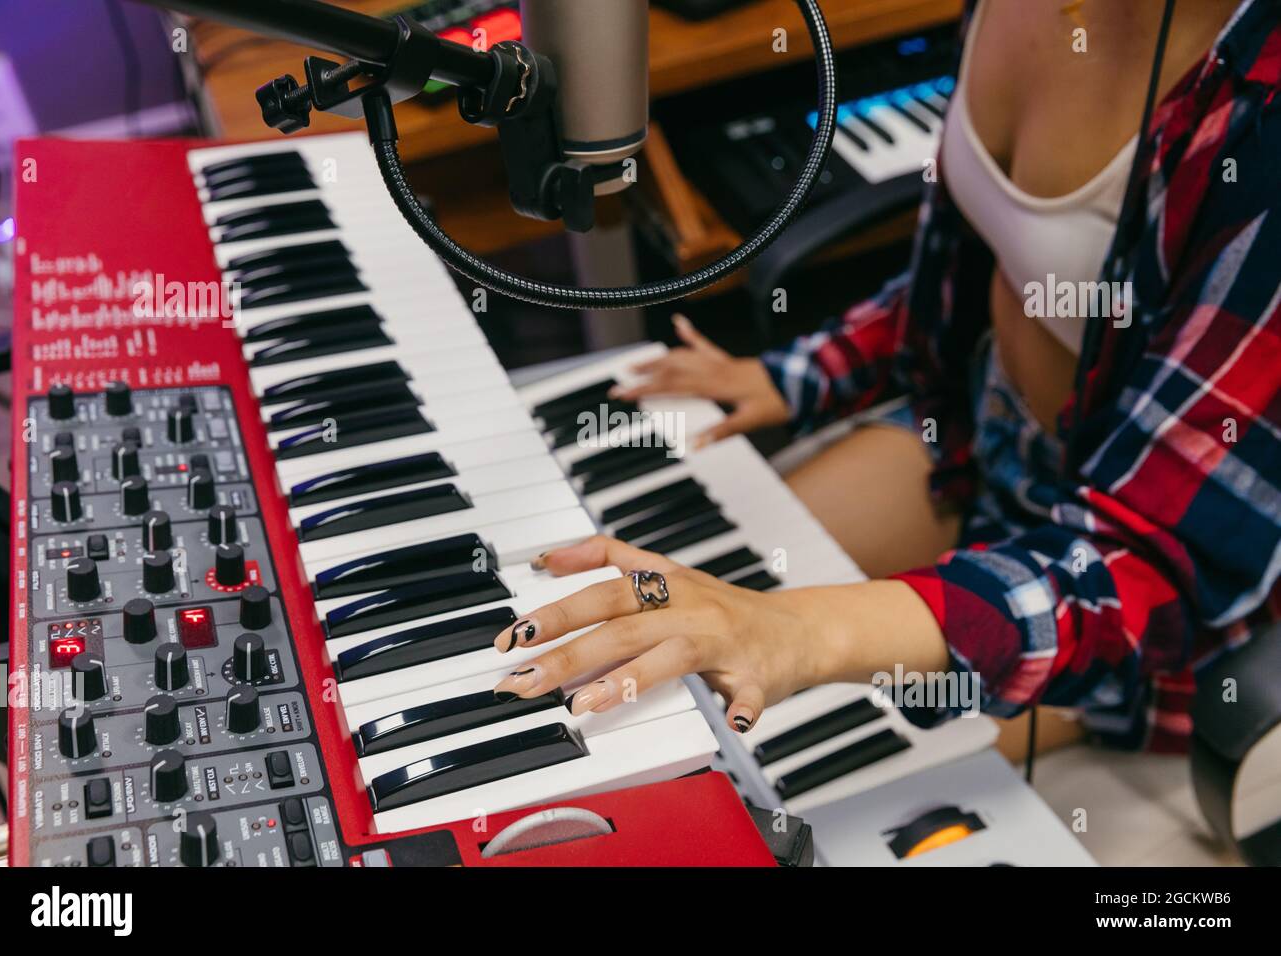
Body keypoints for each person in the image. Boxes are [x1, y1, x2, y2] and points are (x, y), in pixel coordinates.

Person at [491, 0, 1280, 754]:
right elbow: (990, 258)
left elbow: (1156, 566)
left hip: (1127, 586)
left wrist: (800, 633)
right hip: (973, 436)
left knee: (773, 760)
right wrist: (797, 375)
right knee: (671, 621)